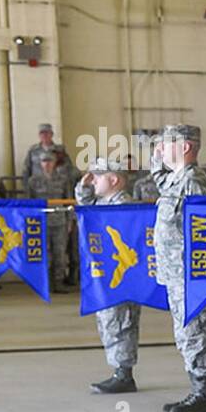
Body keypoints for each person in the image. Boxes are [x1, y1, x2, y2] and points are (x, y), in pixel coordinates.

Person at [153, 124, 206, 412]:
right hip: (176, 274)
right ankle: (198, 389)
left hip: (193, 277)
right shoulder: (175, 180)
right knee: (186, 334)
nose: (160, 150)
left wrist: (200, 280)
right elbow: (158, 177)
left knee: (196, 333)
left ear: (184, 147)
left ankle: (205, 395)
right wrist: (157, 154)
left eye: (166, 144)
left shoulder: (194, 182)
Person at [76, 158, 142, 394]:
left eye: (98, 176)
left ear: (113, 180)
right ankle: (118, 370)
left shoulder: (123, 205)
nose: (92, 180)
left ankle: (124, 373)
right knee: (109, 322)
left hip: (121, 278)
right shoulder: (105, 202)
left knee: (120, 322)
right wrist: (84, 187)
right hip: (107, 275)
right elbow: (86, 210)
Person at [27, 149, 72, 293]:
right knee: (44, 254)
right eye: (44, 161)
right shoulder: (33, 181)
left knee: (60, 253)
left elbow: (69, 201)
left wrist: (70, 221)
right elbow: (29, 203)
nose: (47, 164)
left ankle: (58, 282)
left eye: (49, 161)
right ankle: (44, 283)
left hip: (59, 221)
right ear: (40, 164)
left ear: (54, 163)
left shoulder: (63, 179)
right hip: (40, 222)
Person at [22, 122, 66, 191]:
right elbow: (26, 169)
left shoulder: (60, 150)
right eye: (42, 133)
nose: (44, 135)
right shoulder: (33, 150)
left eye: (47, 133)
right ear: (39, 135)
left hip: (56, 187)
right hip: (37, 187)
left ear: (51, 134)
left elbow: (67, 167)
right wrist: (26, 186)